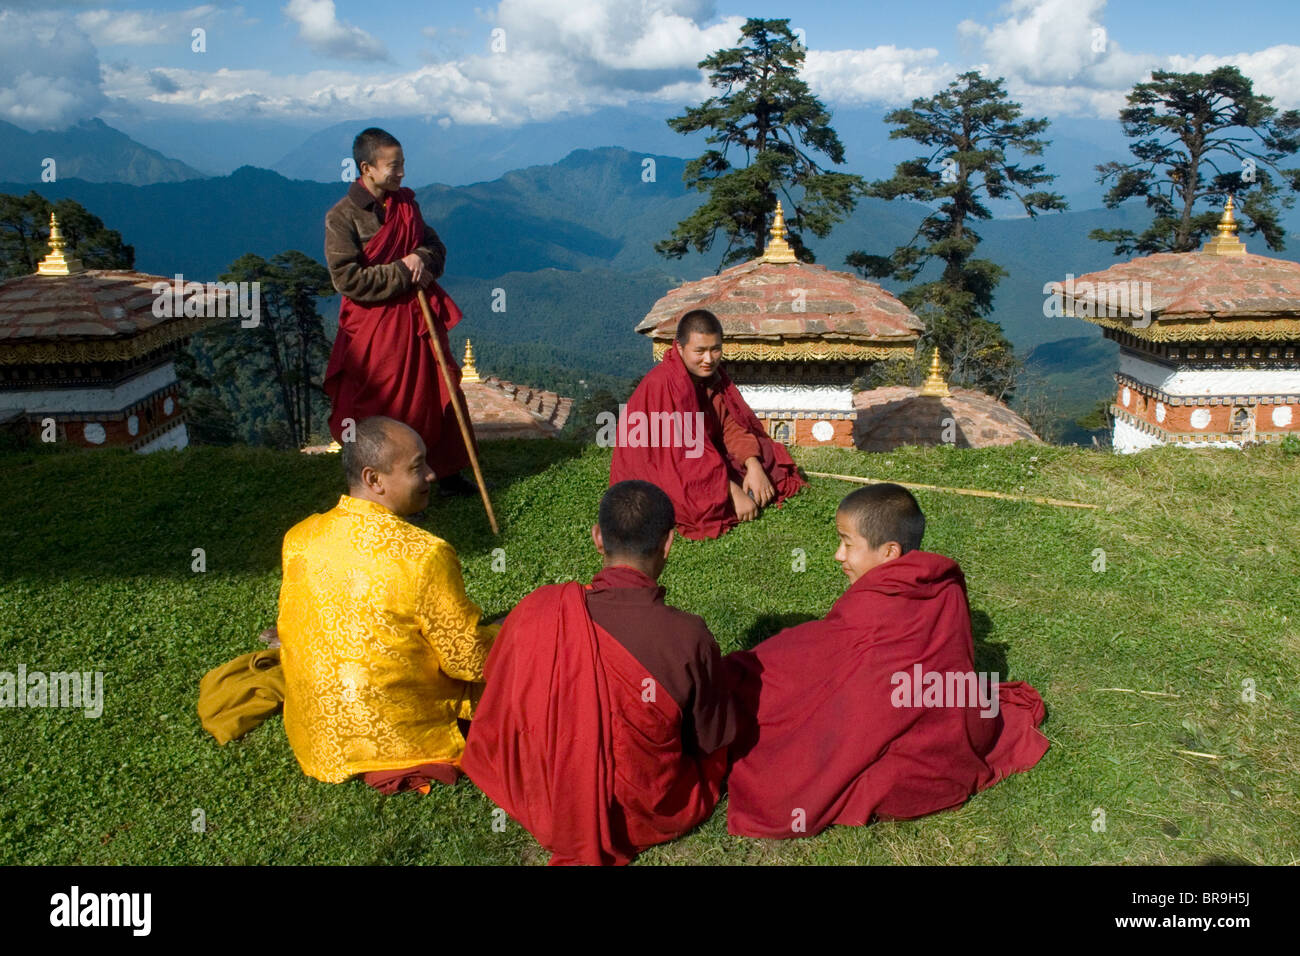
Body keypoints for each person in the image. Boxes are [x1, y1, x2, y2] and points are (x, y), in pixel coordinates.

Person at [725, 483, 1049, 839]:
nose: (838, 555)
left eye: (847, 544)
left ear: (889, 552)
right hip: (951, 725)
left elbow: (824, 659)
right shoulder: (942, 585)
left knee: (768, 697)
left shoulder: (877, 606)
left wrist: (750, 671)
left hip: (918, 731)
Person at [462, 480, 741, 865]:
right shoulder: (689, 637)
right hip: (641, 815)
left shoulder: (537, 611)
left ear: (597, 537)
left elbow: (499, 689)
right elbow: (710, 740)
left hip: (549, 793)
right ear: (669, 544)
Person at [277, 416, 498, 792]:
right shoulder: (424, 554)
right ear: (374, 479)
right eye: (417, 467)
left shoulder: (299, 537)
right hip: (401, 736)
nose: (431, 475)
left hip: (315, 739)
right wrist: (509, 633)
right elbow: (470, 662)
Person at [323, 127, 477, 498]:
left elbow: (434, 247)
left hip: (416, 319)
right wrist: (404, 271)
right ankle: (391, 485)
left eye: (403, 164)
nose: (402, 173)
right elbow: (347, 279)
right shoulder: (342, 218)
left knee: (435, 391)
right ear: (367, 168)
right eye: (394, 166)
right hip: (375, 332)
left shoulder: (406, 205)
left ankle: (445, 469)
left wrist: (421, 259)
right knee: (387, 405)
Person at [609, 309, 804, 539]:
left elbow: (731, 424)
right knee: (693, 504)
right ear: (680, 348)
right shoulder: (664, 384)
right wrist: (732, 491)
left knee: (769, 460)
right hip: (659, 466)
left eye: (715, 349)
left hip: (703, 454)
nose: (709, 359)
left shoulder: (712, 376)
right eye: (699, 351)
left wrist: (753, 466)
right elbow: (685, 457)